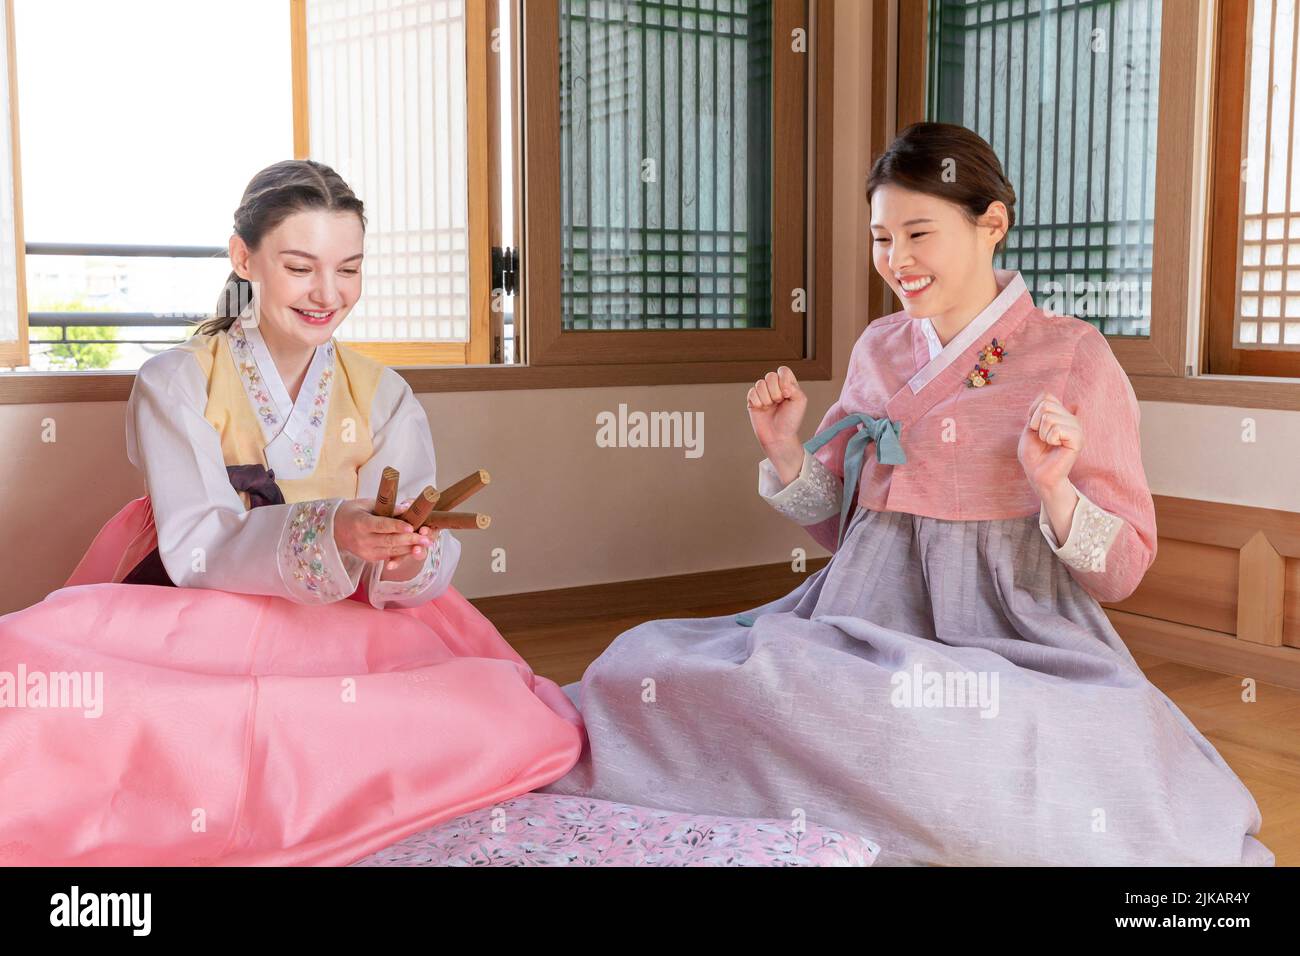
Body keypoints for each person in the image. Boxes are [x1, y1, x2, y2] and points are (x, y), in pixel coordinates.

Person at [540, 123, 1275, 866]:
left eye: (918, 233)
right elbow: (840, 527)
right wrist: (785, 449)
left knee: (930, 727)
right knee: (654, 668)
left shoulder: (1074, 355)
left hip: (1015, 632)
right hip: (858, 615)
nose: (897, 260)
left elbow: (1121, 570)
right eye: (881, 238)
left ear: (992, 224)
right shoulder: (881, 347)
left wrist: (1052, 490)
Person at [0, 160, 582, 866]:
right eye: (301, 267)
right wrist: (331, 530)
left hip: (352, 616)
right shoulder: (177, 380)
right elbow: (199, 543)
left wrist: (401, 554)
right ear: (244, 257)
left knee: (484, 720)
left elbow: (411, 537)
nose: (328, 294)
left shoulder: (382, 392)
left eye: (350, 270)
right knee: (49, 693)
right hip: (204, 598)